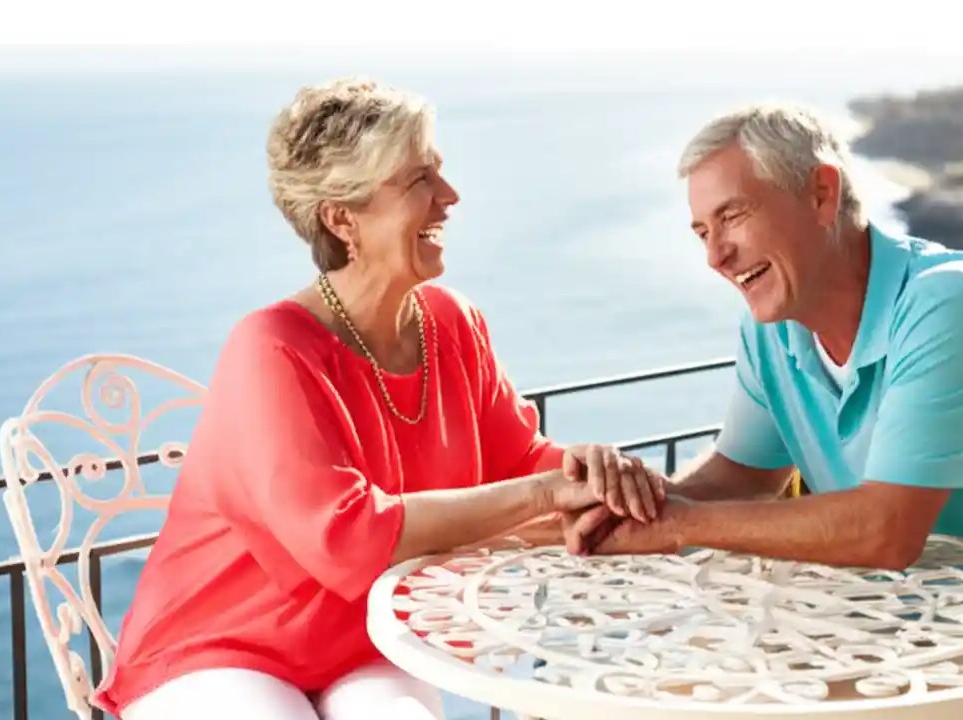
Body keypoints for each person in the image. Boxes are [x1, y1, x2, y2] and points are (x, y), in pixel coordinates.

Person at [93, 78, 662, 720]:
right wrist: (544, 494)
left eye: (439, 173)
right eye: (420, 179)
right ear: (343, 219)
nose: (449, 198)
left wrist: (589, 474)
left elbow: (518, 457)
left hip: (367, 634)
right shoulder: (272, 347)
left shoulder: (451, 321)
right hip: (222, 645)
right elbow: (347, 539)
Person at [563, 102, 963, 718]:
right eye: (702, 231)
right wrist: (632, 500)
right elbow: (742, 478)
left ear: (820, 193)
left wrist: (675, 524)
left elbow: (884, 530)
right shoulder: (774, 329)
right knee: (660, 689)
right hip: (917, 628)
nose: (716, 257)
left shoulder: (948, 305)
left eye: (732, 215)